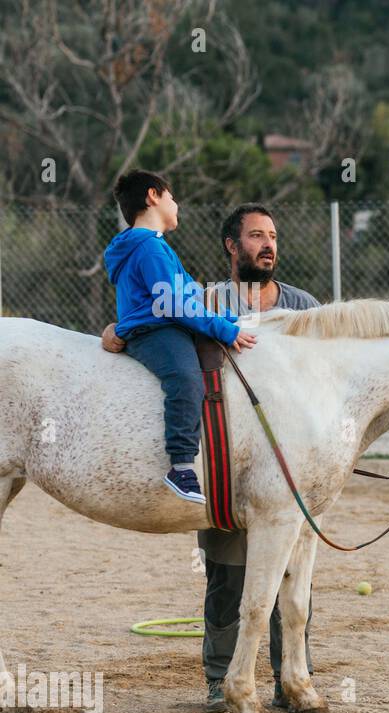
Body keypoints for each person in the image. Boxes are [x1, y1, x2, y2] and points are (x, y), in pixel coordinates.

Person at [103, 202, 320, 713]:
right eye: (255, 236)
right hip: (226, 465)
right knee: (228, 577)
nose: (267, 245)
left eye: (272, 235)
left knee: (287, 575)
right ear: (232, 245)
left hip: (284, 469)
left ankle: (287, 680)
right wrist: (114, 332)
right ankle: (220, 681)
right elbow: (157, 324)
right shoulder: (205, 299)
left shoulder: (304, 308)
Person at [102, 170, 258, 504]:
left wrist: (231, 321)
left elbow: (192, 299)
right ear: (153, 197)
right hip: (155, 332)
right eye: (172, 197)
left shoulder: (157, 248)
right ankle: (182, 465)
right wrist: (225, 329)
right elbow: (174, 304)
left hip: (169, 324)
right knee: (186, 379)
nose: (177, 204)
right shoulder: (149, 250)